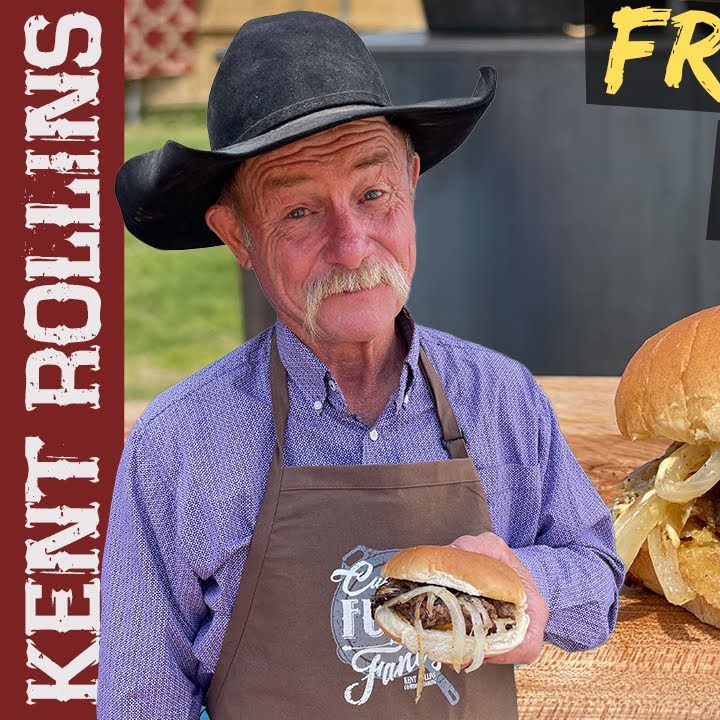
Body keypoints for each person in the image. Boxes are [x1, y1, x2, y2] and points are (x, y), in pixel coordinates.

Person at [101, 11, 623, 719]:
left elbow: (597, 579)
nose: (352, 246)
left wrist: (528, 583)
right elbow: (139, 699)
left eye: (373, 194)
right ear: (238, 235)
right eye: (299, 212)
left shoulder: (501, 398)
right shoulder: (180, 443)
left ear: (410, 182)